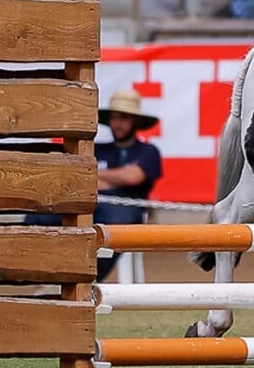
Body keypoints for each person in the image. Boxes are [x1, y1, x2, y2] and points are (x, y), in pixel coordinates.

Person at [25, 88, 163, 282]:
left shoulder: (148, 151)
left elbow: (132, 178)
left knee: (112, 224)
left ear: (136, 121)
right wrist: (111, 177)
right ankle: (46, 271)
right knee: (39, 215)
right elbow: (78, 176)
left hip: (125, 211)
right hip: (89, 205)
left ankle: (86, 278)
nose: (118, 124)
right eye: (114, 118)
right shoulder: (99, 149)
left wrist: (95, 176)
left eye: (124, 118)